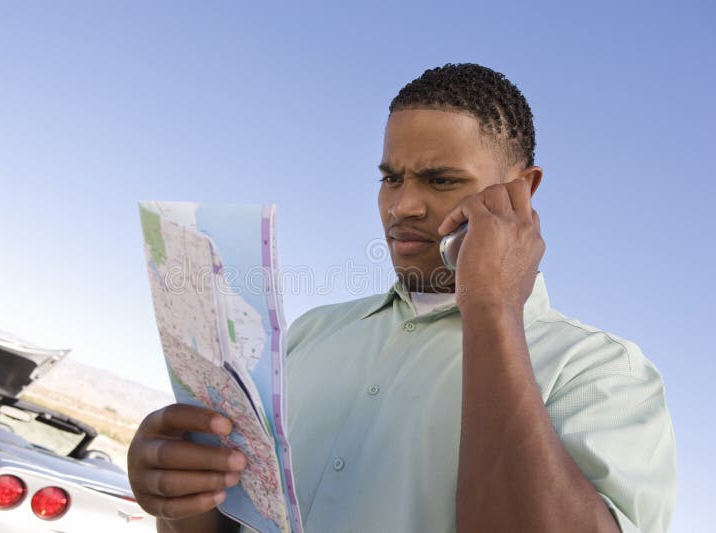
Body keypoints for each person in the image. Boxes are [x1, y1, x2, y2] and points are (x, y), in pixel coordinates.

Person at [127, 63, 677, 533]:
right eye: (391, 179)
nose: (402, 207)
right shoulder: (312, 334)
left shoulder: (599, 373)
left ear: (521, 191)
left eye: (439, 181)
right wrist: (177, 499)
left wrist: (489, 302)